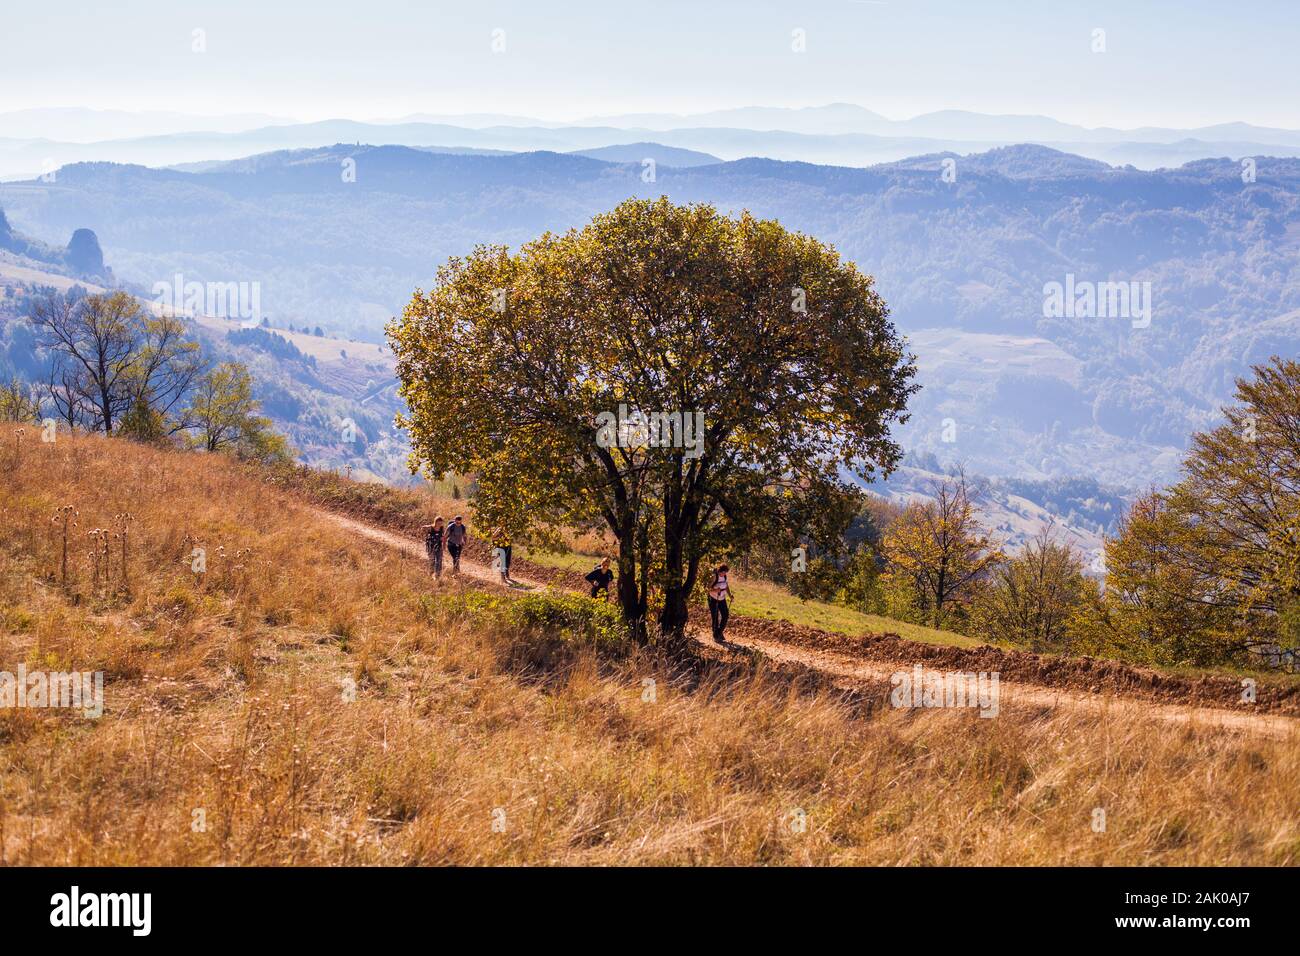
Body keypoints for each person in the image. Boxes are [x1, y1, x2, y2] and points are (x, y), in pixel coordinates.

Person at [707, 564, 733, 644]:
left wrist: (730, 595)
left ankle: (719, 632)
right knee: (715, 617)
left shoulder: (724, 577)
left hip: (722, 599)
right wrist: (715, 590)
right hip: (713, 599)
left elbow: (726, 586)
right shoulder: (715, 577)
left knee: (725, 615)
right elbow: (707, 588)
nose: (724, 574)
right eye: (723, 572)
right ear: (720, 571)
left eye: (726, 572)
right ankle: (715, 635)